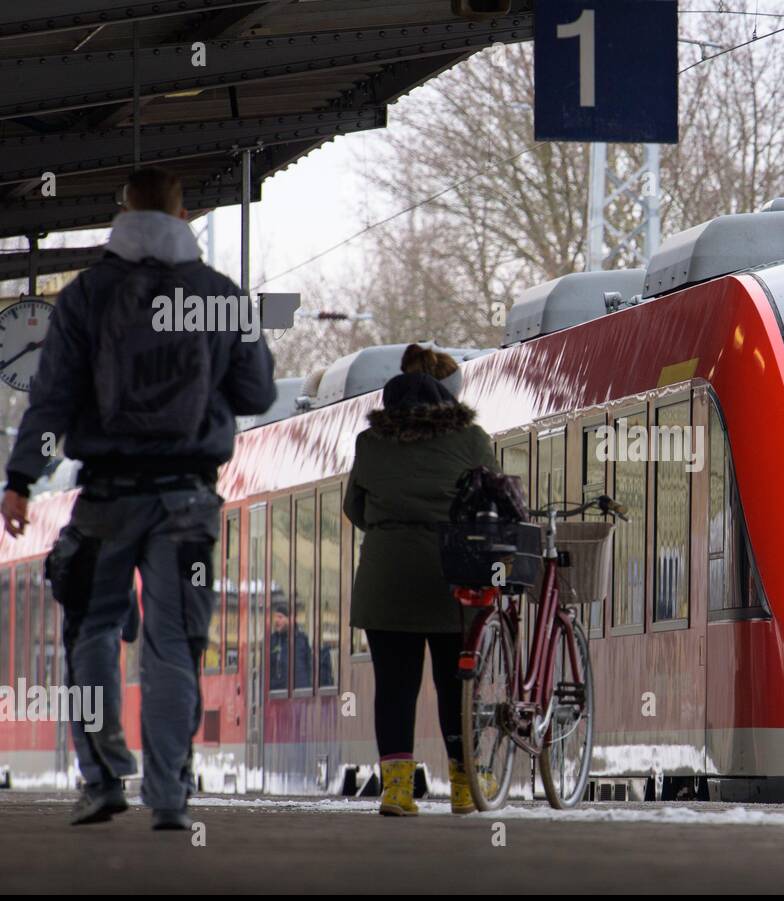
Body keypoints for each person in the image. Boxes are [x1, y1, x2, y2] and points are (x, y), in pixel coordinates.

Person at [1, 166, 276, 829]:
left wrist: (20, 481)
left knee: (91, 633)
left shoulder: (87, 296)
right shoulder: (218, 295)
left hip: (105, 497)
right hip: (187, 502)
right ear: (182, 211)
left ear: (121, 212)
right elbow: (258, 395)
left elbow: (53, 402)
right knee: (173, 644)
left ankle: (101, 779)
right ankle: (170, 796)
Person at [344, 345, 495, 816]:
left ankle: (396, 791)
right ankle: (464, 786)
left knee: (394, 686)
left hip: (386, 577)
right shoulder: (471, 439)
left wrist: (392, 527)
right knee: (457, 684)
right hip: (453, 574)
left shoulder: (371, 444)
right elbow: (490, 498)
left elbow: (356, 508)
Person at [268, 602, 312, 692]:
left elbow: (309, 666)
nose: (276, 620)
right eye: (275, 617)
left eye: (280, 617)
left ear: (290, 620)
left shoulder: (302, 640)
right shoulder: (271, 641)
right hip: (278, 693)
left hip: (300, 692)